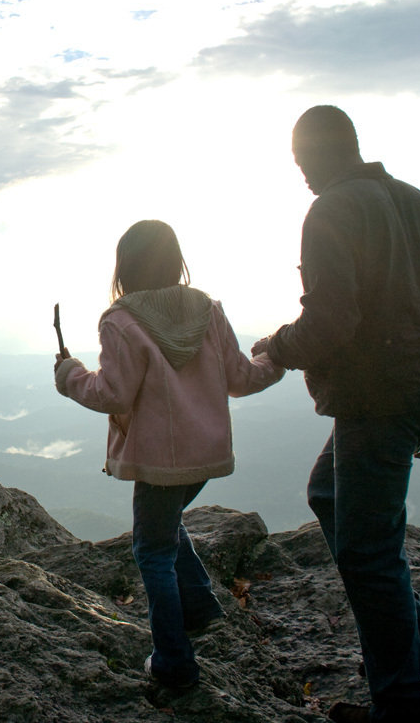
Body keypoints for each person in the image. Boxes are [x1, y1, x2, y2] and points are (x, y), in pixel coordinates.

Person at [253, 106, 420, 723]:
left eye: (301, 163)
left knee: (369, 554)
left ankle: (401, 705)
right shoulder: (419, 203)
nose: (303, 177)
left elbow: (332, 320)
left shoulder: (332, 210)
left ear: (317, 154)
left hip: (378, 397)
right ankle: (415, 635)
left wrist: (277, 347)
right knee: (326, 492)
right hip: (419, 385)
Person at [54, 219, 284, 692]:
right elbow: (241, 378)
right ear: (175, 261)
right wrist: (276, 358)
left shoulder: (121, 320)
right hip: (205, 454)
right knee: (167, 526)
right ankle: (198, 606)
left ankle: (174, 664)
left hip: (158, 460)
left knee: (151, 550)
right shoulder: (208, 310)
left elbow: (113, 394)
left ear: (125, 267)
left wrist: (70, 374)